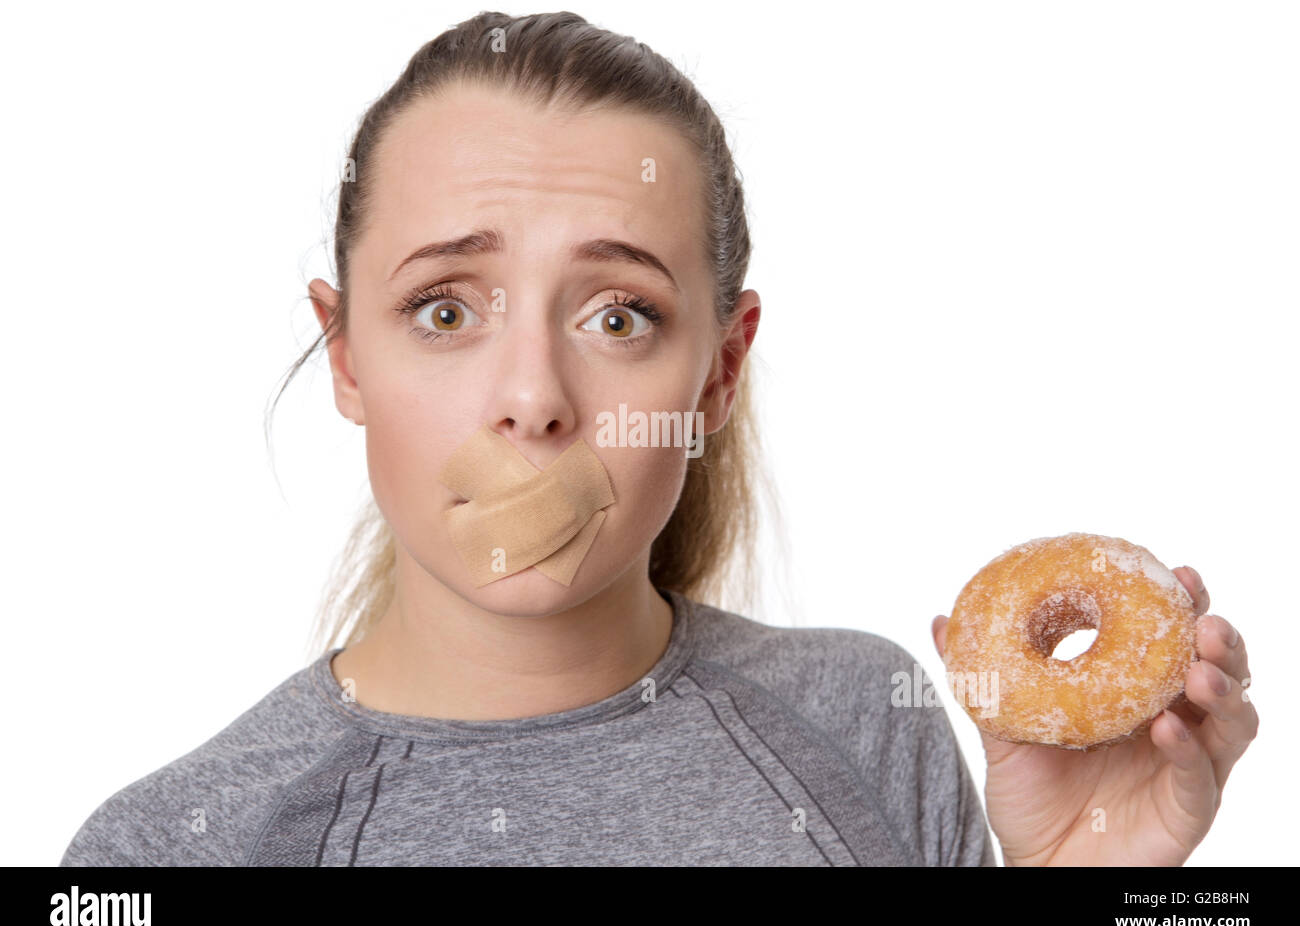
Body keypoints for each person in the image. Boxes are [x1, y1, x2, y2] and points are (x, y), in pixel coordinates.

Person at [59, 11, 1254, 867]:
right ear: (348, 356)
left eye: (617, 314)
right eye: (444, 309)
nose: (532, 397)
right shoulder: (163, 851)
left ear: (718, 371)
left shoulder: (864, 720)